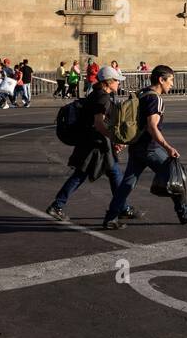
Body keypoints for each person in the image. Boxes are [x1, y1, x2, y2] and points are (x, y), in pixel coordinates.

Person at [103, 64, 187, 229]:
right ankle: (184, 213)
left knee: (127, 184)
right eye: (170, 80)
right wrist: (167, 147)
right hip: (150, 148)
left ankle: (110, 218)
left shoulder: (142, 93)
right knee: (176, 178)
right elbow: (152, 126)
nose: (172, 84)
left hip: (136, 147)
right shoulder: (155, 98)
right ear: (161, 80)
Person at [46, 65, 140, 224]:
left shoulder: (96, 94)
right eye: (117, 81)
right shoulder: (102, 97)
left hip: (93, 142)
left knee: (101, 174)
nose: (119, 84)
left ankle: (123, 207)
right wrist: (114, 139)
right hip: (97, 144)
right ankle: (57, 205)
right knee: (99, 174)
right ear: (108, 82)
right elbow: (98, 123)